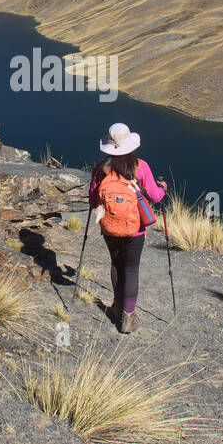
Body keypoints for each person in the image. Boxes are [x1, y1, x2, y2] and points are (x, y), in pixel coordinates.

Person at [88, 122, 167, 333]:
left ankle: (116, 306)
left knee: (116, 264)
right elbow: (155, 197)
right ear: (130, 145)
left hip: (109, 227)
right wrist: (162, 188)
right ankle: (128, 318)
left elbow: (93, 200)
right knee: (131, 268)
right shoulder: (140, 167)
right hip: (135, 229)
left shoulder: (100, 169)